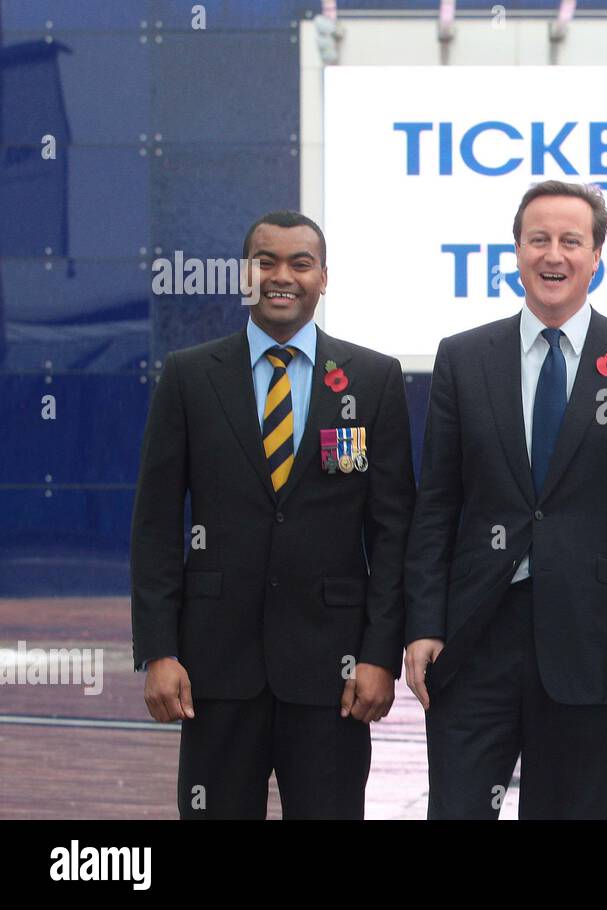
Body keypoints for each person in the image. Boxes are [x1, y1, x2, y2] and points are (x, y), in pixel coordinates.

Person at [403, 180, 607, 820]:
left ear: (597, 256)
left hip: (597, 642)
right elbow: (437, 506)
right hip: (475, 641)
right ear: (516, 250)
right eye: (539, 239)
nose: (553, 255)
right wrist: (424, 622)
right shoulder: (463, 357)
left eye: (571, 240)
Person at [131, 211, 415, 818]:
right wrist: (158, 650)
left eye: (300, 263)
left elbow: (392, 535)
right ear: (244, 274)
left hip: (334, 674)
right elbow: (155, 525)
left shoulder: (373, 378)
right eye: (266, 261)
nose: (281, 276)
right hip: (213, 670)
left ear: (323, 277)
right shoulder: (188, 377)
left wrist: (377, 656)